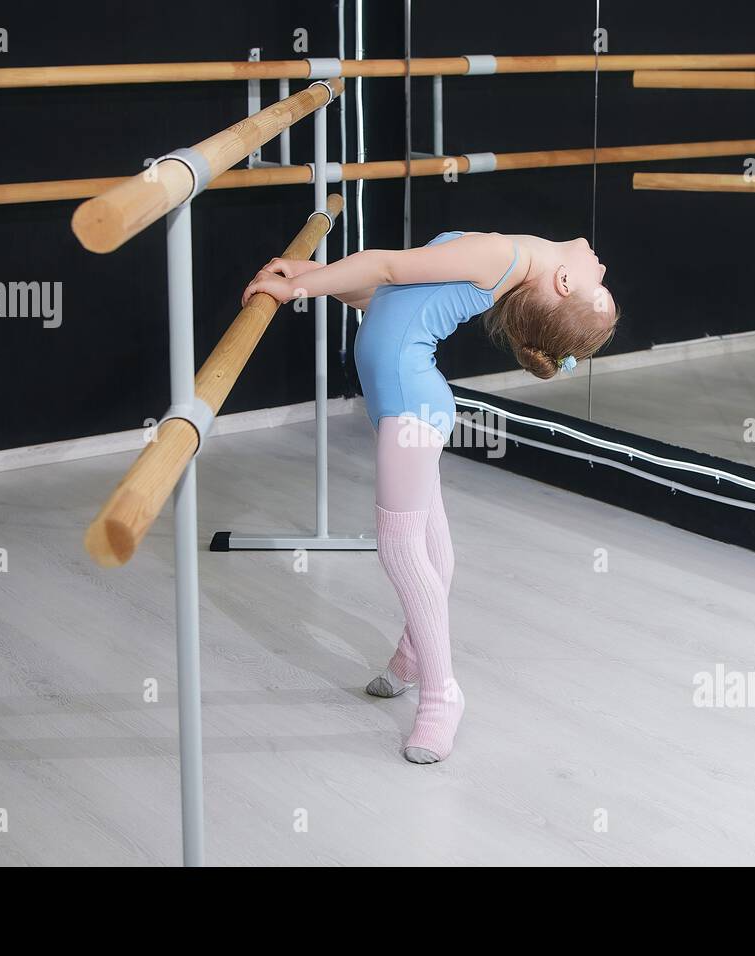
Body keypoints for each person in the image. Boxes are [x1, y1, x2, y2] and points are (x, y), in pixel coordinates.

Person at [242, 230, 618, 763]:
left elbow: (388, 268)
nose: (601, 265)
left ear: (562, 283)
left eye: (598, 286)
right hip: (405, 401)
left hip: (410, 407)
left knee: (399, 545)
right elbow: (386, 294)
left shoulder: (506, 256)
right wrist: (312, 278)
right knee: (428, 541)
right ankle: (410, 659)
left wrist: (301, 289)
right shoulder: (509, 257)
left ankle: (443, 695)